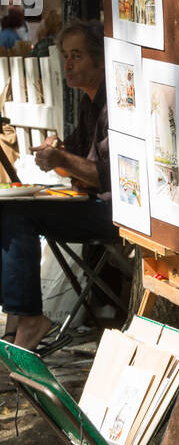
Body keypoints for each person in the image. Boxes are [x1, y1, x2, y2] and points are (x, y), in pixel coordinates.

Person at [1, 20, 117, 350]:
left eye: (76, 56)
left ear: (99, 60)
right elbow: (79, 164)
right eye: (65, 55)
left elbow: (104, 175)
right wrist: (61, 152)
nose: (67, 64)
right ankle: (17, 321)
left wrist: (62, 160)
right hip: (92, 203)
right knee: (10, 208)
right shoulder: (88, 101)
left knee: (20, 216)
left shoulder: (114, 103)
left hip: (117, 213)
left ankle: (29, 321)